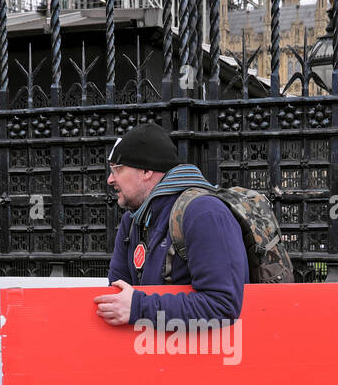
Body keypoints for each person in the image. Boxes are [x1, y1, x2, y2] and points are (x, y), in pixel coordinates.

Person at [96, 123, 248, 326]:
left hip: (205, 356)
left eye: (117, 169)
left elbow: (222, 305)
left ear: (146, 171)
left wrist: (139, 308)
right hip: (145, 353)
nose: (110, 179)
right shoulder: (132, 220)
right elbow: (118, 295)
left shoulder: (204, 213)